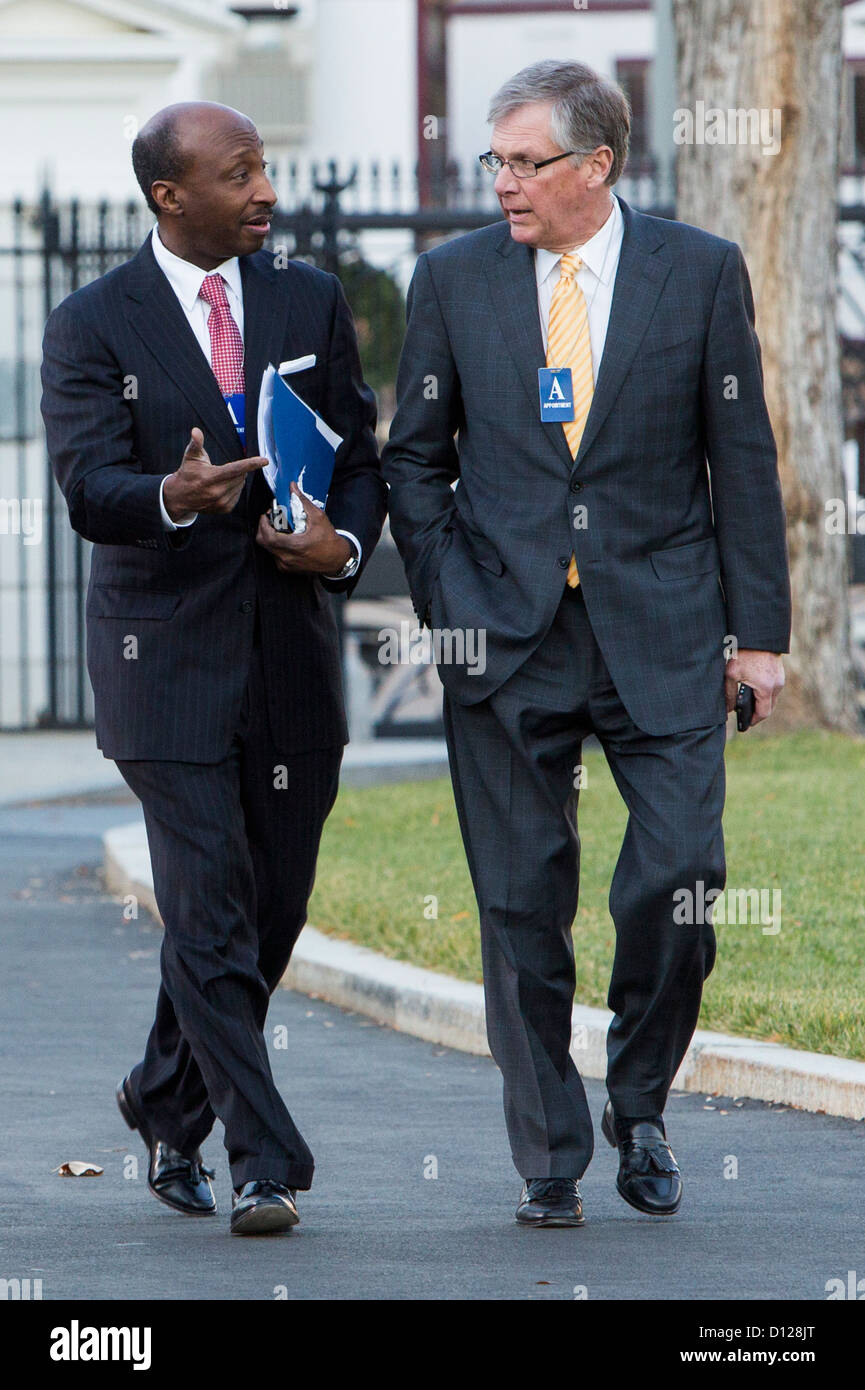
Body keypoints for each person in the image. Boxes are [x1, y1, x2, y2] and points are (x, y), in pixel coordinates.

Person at [382, 60, 790, 1227]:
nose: (503, 183)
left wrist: (755, 637)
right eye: (495, 162)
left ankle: (641, 1098)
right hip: (503, 635)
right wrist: (453, 603)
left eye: (525, 161)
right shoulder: (453, 280)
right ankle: (550, 1155)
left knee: (682, 878)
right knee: (519, 904)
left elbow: (741, 461)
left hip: (659, 629)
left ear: (595, 165)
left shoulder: (698, 271)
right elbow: (412, 455)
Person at [41, 102, 386, 1236]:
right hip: (163, 668)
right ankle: (264, 1159)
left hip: (291, 659)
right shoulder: (92, 325)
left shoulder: (307, 296)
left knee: (270, 911)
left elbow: (360, 459)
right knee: (208, 909)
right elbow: (90, 487)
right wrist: (168, 499)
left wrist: (340, 543)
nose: (265, 192)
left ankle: (159, 1097)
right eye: (239, 174)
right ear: (167, 195)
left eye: (265, 166)